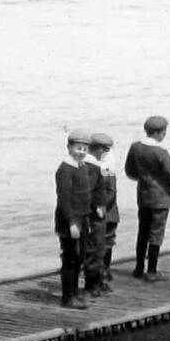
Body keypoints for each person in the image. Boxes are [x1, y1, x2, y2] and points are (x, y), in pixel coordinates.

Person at [124, 115, 170, 282]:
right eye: (164, 132)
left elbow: (129, 171)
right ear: (159, 133)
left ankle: (139, 267)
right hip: (161, 197)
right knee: (156, 233)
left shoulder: (135, 147)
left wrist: (143, 179)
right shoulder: (161, 152)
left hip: (143, 195)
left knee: (142, 232)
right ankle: (152, 271)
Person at [55, 132, 94, 309]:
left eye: (85, 149)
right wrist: (71, 222)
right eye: (78, 148)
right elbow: (64, 199)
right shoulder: (65, 169)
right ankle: (67, 297)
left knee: (80, 257)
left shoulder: (82, 166)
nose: (81, 151)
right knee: (70, 258)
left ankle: (75, 293)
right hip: (70, 220)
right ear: (69, 147)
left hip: (83, 218)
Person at [85, 132, 119, 293]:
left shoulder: (106, 165)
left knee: (107, 244)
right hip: (99, 212)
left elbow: (111, 189)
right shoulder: (91, 165)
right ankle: (97, 279)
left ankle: (103, 274)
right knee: (98, 246)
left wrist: (103, 206)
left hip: (108, 211)